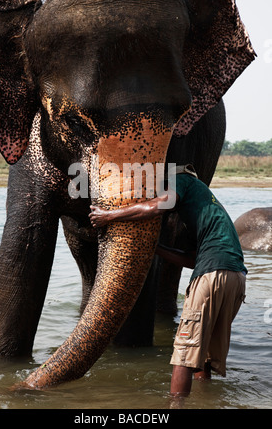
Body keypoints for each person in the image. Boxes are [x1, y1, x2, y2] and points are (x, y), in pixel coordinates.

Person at [89, 164, 247, 398]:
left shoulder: (179, 179)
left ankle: (174, 407)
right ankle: (205, 401)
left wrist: (109, 216)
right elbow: (192, 259)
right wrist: (157, 249)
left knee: (183, 351)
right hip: (236, 278)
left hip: (212, 275)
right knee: (201, 352)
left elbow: (159, 206)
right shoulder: (206, 206)